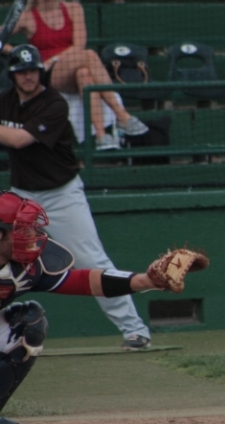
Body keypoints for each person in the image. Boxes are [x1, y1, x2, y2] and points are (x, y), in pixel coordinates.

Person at [0, 191, 189, 424]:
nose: (32, 237)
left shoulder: (28, 265)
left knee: (28, 322)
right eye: (23, 230)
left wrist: (143, 281)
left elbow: (82, 281)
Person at [0, 44, 153, 349]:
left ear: (40, 71)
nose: (28, 77)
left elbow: (19, 140)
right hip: (21, 196)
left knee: (90, 259)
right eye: (21, 71)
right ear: (13, 75)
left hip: (61, 194)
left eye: (32, 70)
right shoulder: (5, 102)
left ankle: (135, 330)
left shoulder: (54, 103)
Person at [5, 0, 148, 150]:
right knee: (90, 55)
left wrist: (56, 58)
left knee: (84, 74)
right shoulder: (27, 17)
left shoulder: (74, 8)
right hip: (47, 72)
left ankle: (101, 135)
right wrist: (20, 54)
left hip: (72, 65)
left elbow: (79, 45)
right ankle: (122, 115)